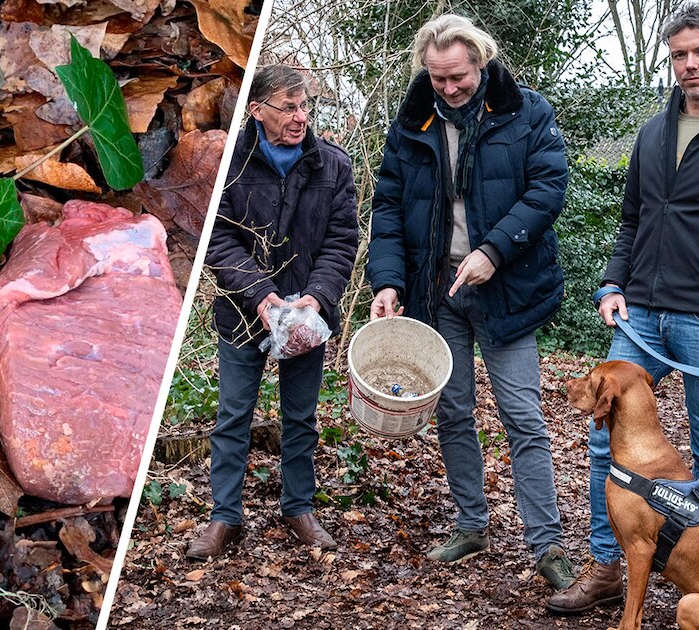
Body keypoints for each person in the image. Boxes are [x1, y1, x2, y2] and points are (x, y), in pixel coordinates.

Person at [547, 2, 699, 614]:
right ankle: (608, 566)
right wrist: (612, 283)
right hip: (640, 318)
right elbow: (632, 220)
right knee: (603, 444)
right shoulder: (653, 133)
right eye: (679, 54)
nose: (690, 64)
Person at [366, 14, 575, 589]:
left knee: (523, 417)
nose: (449, 88)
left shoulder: (527, 112)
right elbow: (388, 208)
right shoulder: (411, 122)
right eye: (438, 78)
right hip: (437, 291)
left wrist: (494, 250)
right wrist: (388, 281)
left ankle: (547, 544)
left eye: (458, 76)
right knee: (452, 411)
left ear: (481, 63)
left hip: (506, 289)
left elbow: (547, 190)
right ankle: (471, 525)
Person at [185, 65, 359, 560]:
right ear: (257, 110)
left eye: (305, 106)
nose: (301, 117)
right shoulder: (230, 163)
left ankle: (298, 508)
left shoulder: (332, 165)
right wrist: (260, 295)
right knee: (232, 415)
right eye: (289, 107)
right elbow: (216, 238)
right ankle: (225, 517)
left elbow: (342, 240)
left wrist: (316, 298)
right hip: (242, 313)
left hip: (306, 317)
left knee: (300, 417)